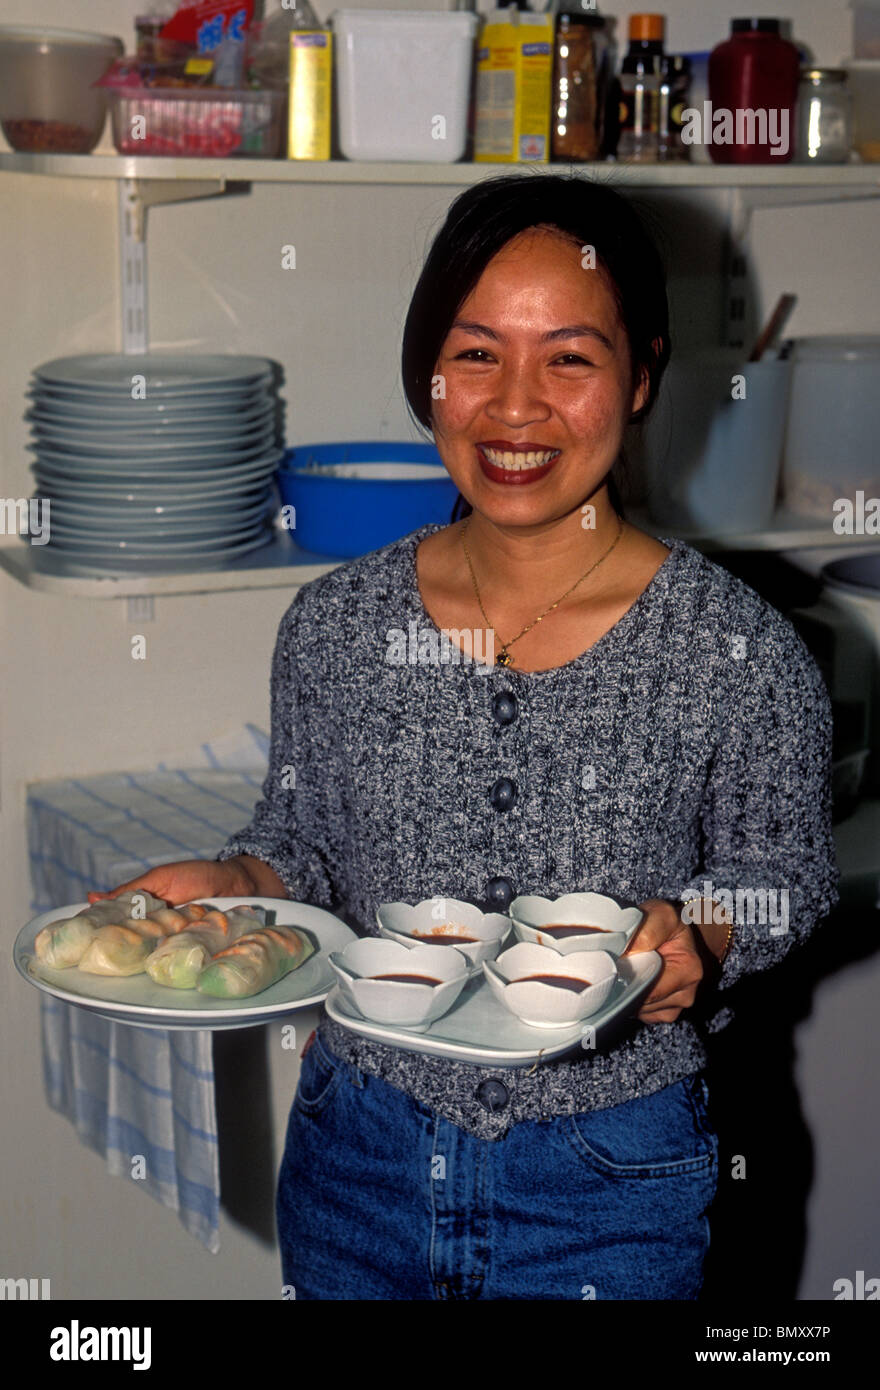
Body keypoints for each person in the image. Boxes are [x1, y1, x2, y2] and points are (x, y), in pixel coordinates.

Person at [91, 174, 839, 1300]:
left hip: (607, 1179)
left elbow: (787, 876)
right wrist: (236, 879)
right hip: (357, 1163)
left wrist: (707, 935)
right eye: (478, 353)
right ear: (427, 372)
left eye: (570, 359)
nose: (516, 407)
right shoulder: (337, 625)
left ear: (640, 375)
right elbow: (304, 845)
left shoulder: (736, 648)